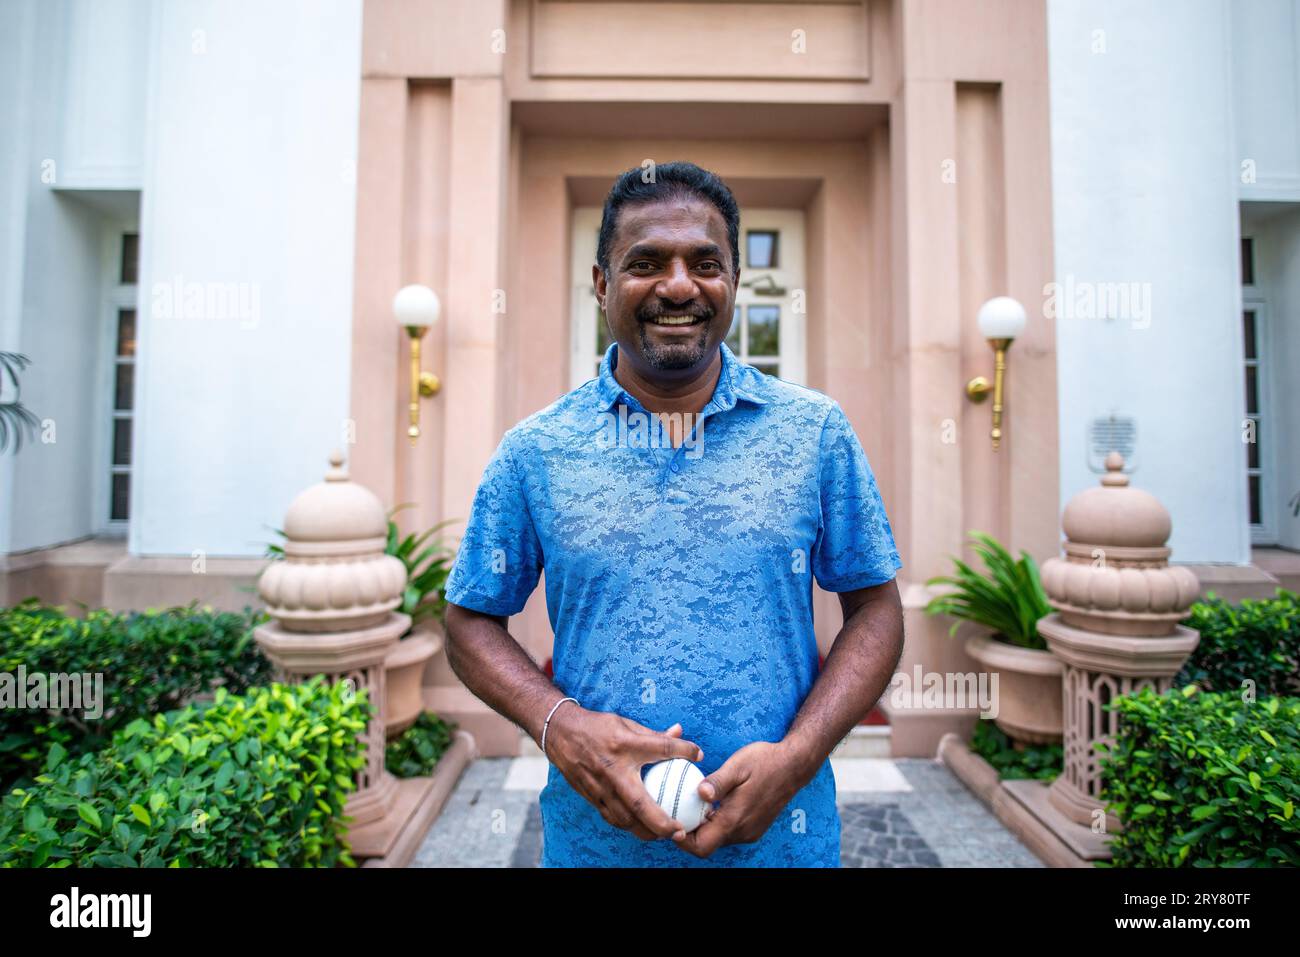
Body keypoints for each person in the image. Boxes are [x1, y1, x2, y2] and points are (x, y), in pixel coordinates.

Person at [442, 160, 905, 866]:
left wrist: (798, 755)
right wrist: (557, 723)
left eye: (705, 263)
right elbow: (469, 618)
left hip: (785, 844)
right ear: (602, 285)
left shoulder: (814, 431)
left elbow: (876, 608)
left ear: (734, 284)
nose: (680, 285)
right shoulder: (535, 450)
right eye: (646, 262)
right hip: (596, 848)